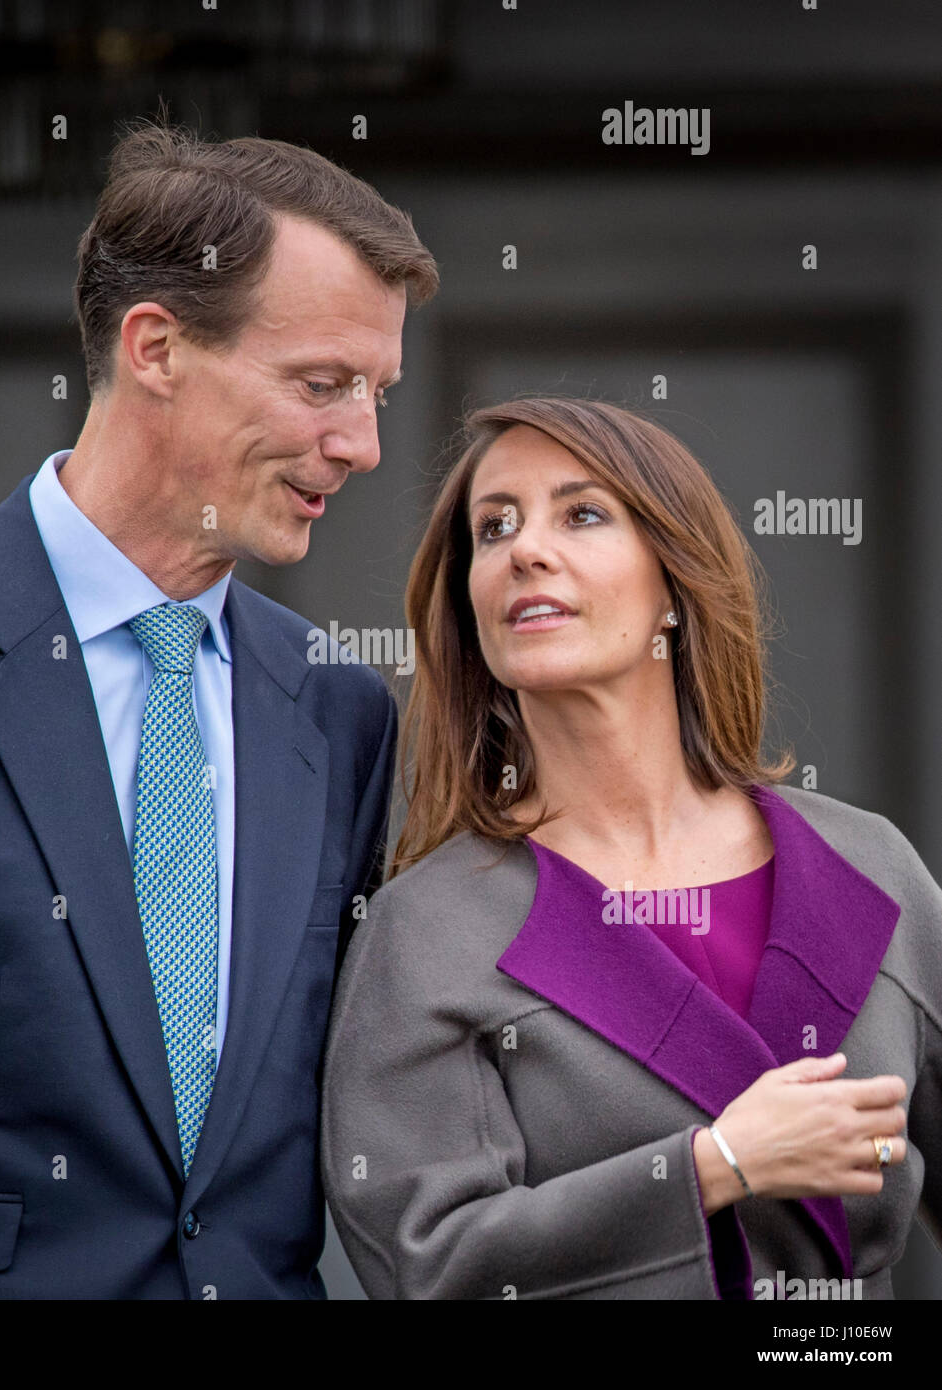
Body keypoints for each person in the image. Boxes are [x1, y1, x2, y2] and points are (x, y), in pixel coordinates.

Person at [0, 120, 438, 1299]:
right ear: (157, 346)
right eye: (324, 384)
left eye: (378, 392)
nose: (364, 444)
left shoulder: (343, 713)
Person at [321, 396, 942, 1300]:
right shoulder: (427, 928)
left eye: (581, 514)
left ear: (672, 586)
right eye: (493, 528)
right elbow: (431, 1265)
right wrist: (715, 1164)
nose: (524, 549)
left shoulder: (868, 869)